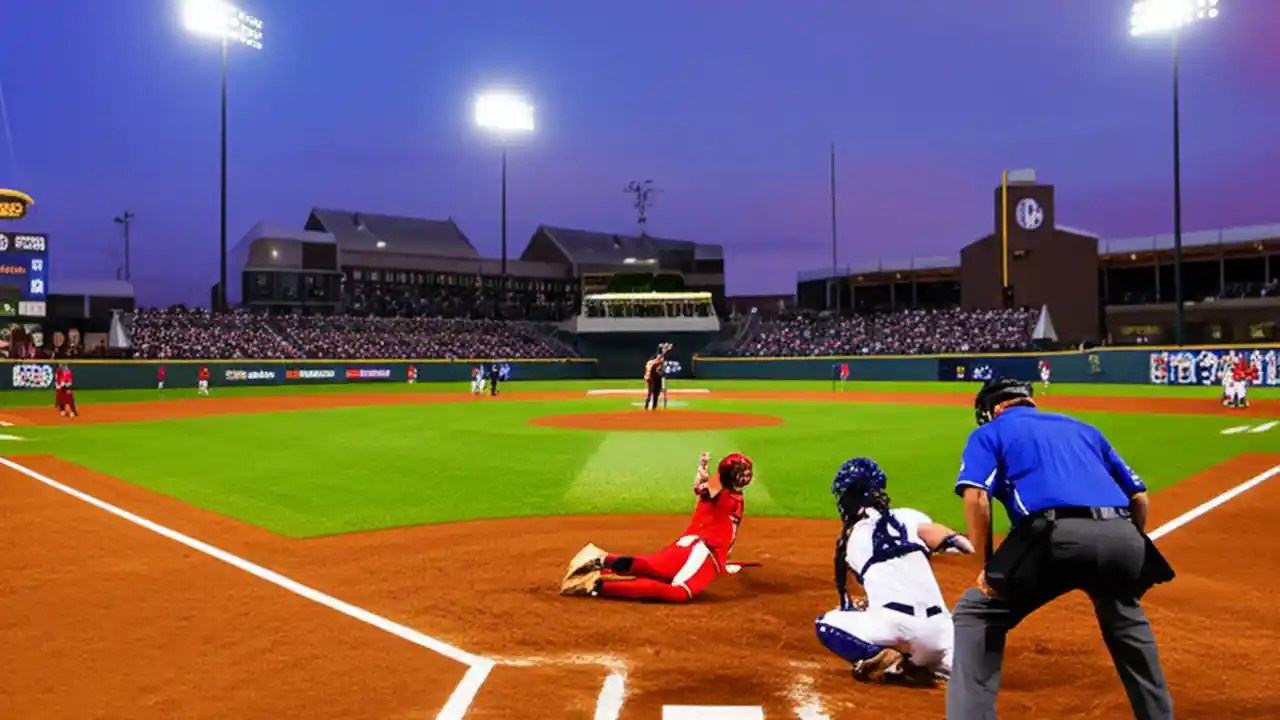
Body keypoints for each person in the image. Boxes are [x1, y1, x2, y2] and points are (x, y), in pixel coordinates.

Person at [947, 378, 1174, 720]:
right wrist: (1124, 542)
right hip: (1124, 535)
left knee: (976, 612)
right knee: (1123, 614)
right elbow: (1139, 497)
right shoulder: (1084, 429)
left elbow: (977, 496)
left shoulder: (989, 433)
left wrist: (987, 565)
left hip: (1054, 536)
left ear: (995, 410)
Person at [815, 457, 973, 685]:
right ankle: (940, 665)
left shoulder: (853, 539)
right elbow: (936, 534)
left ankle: (891, 663)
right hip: (942, 633)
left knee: (825, 623)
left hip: (896, 627)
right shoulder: (910, 516)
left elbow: (881, 580)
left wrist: (864, 606)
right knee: (963, 667)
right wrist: (957, 541)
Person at [560, 451, 752, 603]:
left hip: (693, 544)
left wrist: (701, 471)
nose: (745, 475)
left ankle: (600, 560)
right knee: (679, 591)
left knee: (656, 569)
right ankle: (595, 585)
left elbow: (700, 489)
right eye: (741, 472)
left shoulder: (720, 487)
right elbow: (703, 491)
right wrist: (702, 473)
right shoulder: (724, 495)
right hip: (703, 551)